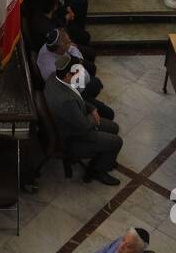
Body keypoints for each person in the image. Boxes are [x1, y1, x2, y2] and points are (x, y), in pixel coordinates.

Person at [44, 55, 122, 185]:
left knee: (114, 128)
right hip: (74, 139)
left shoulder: (55, 77)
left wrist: (91, 109)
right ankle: (97, 171)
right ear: (68, 75)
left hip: (77, 122)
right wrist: (93, 118)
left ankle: (104, 158)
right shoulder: (65, 101)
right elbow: (83, 126)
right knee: (117, 142)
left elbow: (77, 97)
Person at [34, 28, 112, 119]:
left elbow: (74, 50)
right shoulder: (52, 69)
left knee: (94, 78)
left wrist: (74, 54)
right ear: (60, 49)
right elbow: (78, 85)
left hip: (74, 80)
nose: (70, 42)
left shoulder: (52, 47)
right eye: (67, 42)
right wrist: (80, 67)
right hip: (72, 91)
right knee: (96, 86)